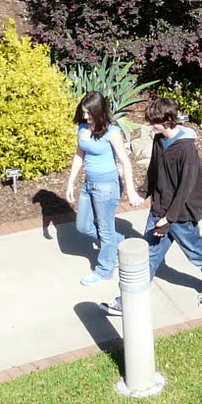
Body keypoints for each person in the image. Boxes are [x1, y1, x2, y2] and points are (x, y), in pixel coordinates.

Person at [104, 96, 202, 315]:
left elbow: (185, 188)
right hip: (160, 210)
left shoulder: (186, 150)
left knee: (195, 252)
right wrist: (144, 192)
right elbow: (154, 169)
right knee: (148, 256)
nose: (152, 126)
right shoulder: (159, 140)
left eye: (156, 122)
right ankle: (129, 300)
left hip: (181, 215)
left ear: (169, 120)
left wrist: (169, 218)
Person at [64, 92, 141, 287]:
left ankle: (104, 269)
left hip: (107, 186)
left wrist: (131, 191)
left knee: (105, 231)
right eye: (83, 113)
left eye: (89, 113)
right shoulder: (82, 128)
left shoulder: (111, 132)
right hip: (88, 184)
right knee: (82, 226)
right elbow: (79, 155)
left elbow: (124, 161)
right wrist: (71, 182)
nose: (86, 117)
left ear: (100, 112)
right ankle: (117, 242)